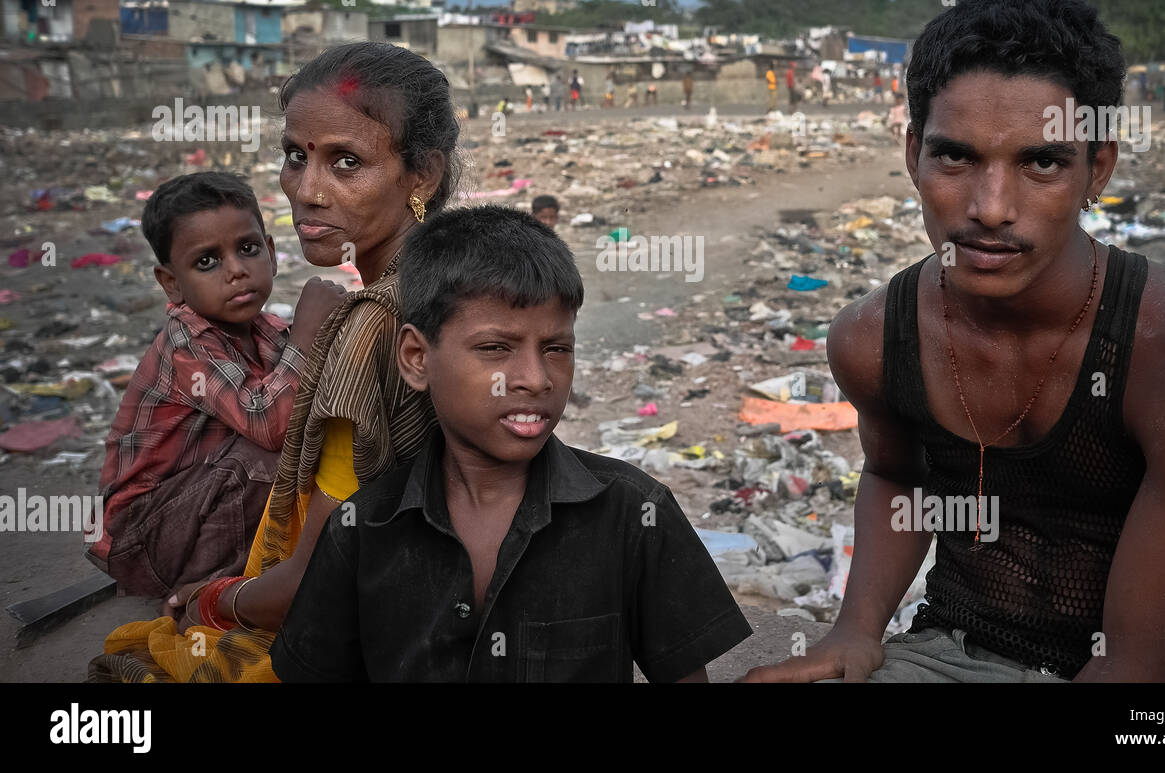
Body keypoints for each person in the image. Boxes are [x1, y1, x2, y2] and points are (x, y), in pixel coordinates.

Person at [745, 0, 1165, 685]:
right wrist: (856, 630)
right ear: (913, 156)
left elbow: (1136, 668)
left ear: (1098, 169)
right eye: (956, 156)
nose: (991, 207)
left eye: (1041, 161)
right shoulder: (872, 339)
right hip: (944, 648)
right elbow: (898, 474)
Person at [88, 41, 459, 683]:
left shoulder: (369, 327)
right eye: (296, 157)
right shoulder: (449, 282)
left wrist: (214, 602)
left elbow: (314, 582)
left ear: (421, 176)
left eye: (346, 162)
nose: (307, 191)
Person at [270, 207, 753, 682]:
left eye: (556, 349)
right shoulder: (363, 529)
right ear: (417, 358)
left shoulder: (633, 513)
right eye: (495, 348)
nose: (535, 379)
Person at [87, 172, 345, 598]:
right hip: (143, 535)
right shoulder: (187, 342)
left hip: (190, 512)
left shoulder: (264, 330)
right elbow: (271, 424)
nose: (237, 271)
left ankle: (262, 571)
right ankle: (206, 592)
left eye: (248, 249)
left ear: (272, 253)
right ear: (171, 283)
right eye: (207, 261)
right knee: (263, 456)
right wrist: (307, 337)